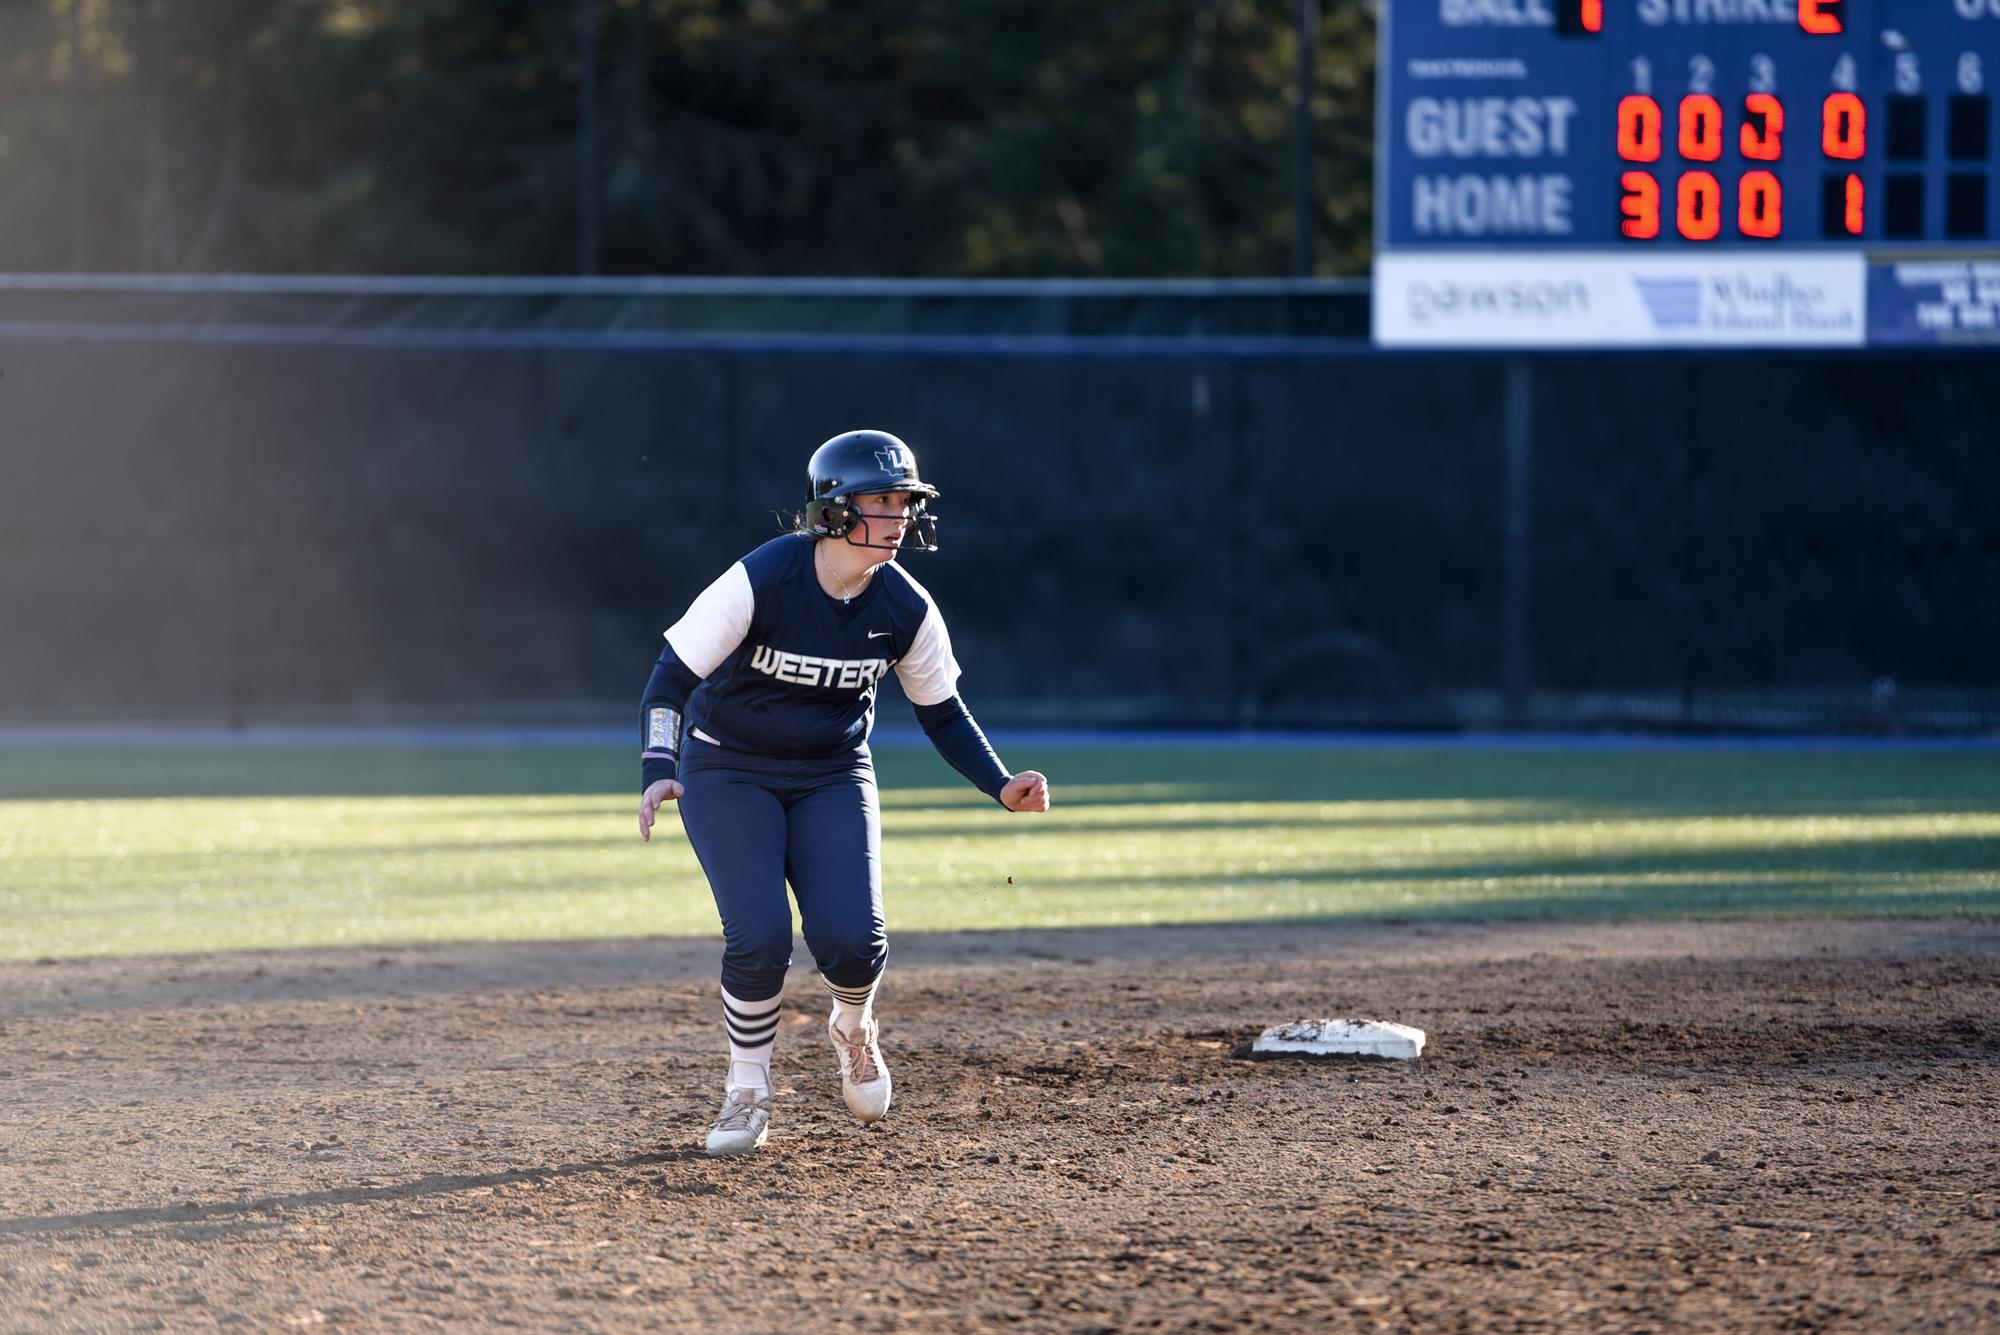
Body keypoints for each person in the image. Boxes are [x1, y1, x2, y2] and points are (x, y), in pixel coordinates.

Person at [637, 429, 1051, 1157]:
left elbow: (943, 712)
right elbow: (670, 678)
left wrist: (999, 784)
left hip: (832, 772)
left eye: (904, 502)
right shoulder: (763, 579)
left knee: (854, 944)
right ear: (832, 509)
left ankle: (853, 1029)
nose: (898, 518)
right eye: (880, 502)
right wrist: (658, 764)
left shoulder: (906, 606)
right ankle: (747, 1088)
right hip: (728, 767)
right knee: (760, 935)